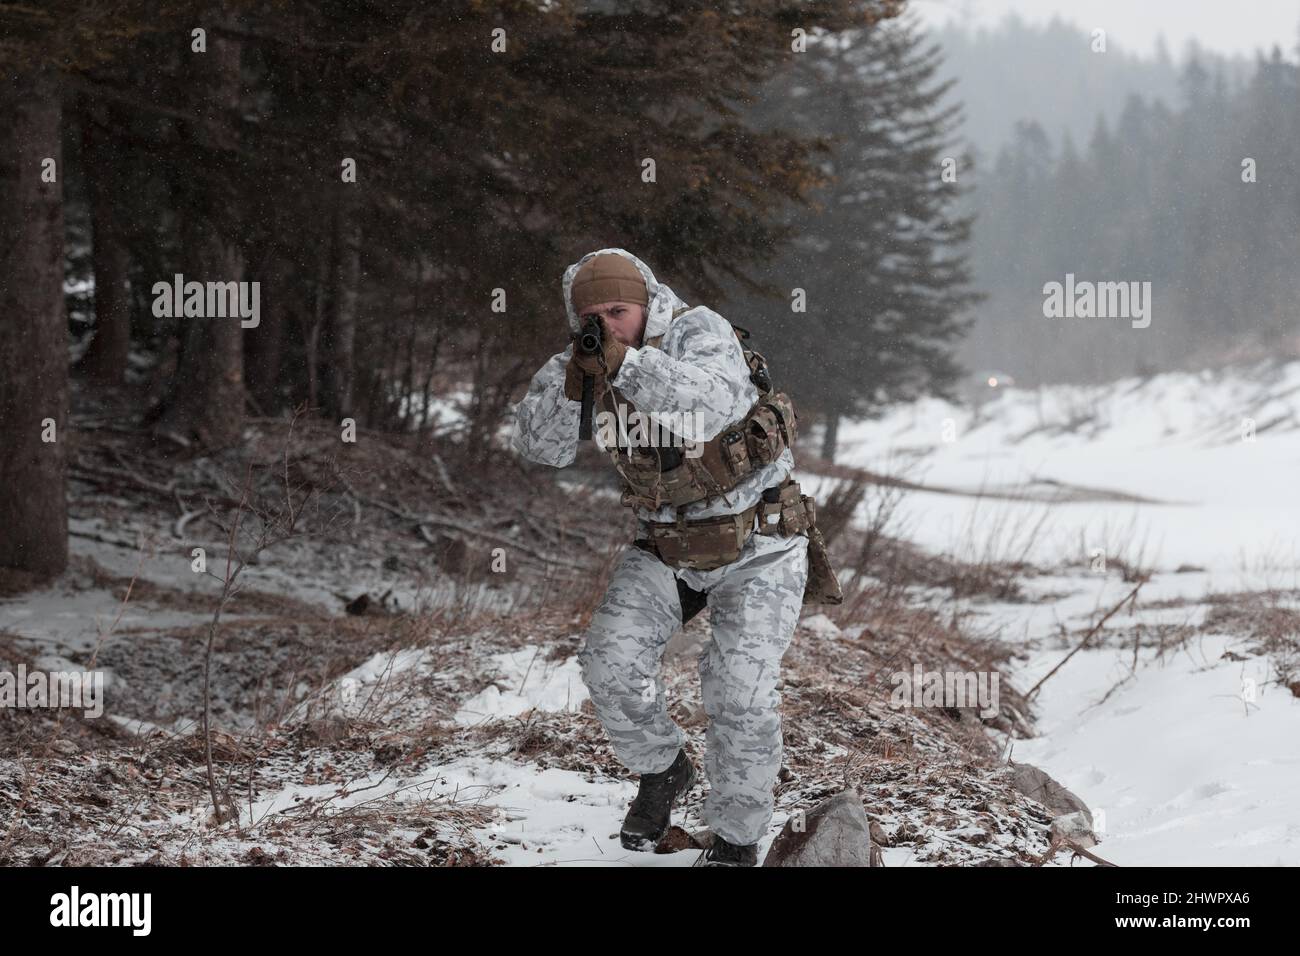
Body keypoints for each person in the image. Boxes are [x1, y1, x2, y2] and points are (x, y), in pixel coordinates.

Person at [511, 247, 832, 867]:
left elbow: (707, 406)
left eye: (618, 310)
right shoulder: (583, 356)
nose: (606, 324)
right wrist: (573, 387)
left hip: (760, 541)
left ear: (646, 304)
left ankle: (736, 839)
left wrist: (624, 365)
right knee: (608, 660)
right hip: (669, 544)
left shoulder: (697, 330)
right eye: (592, 314)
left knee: (738, 691)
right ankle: (664, 769)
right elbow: (539, 448)